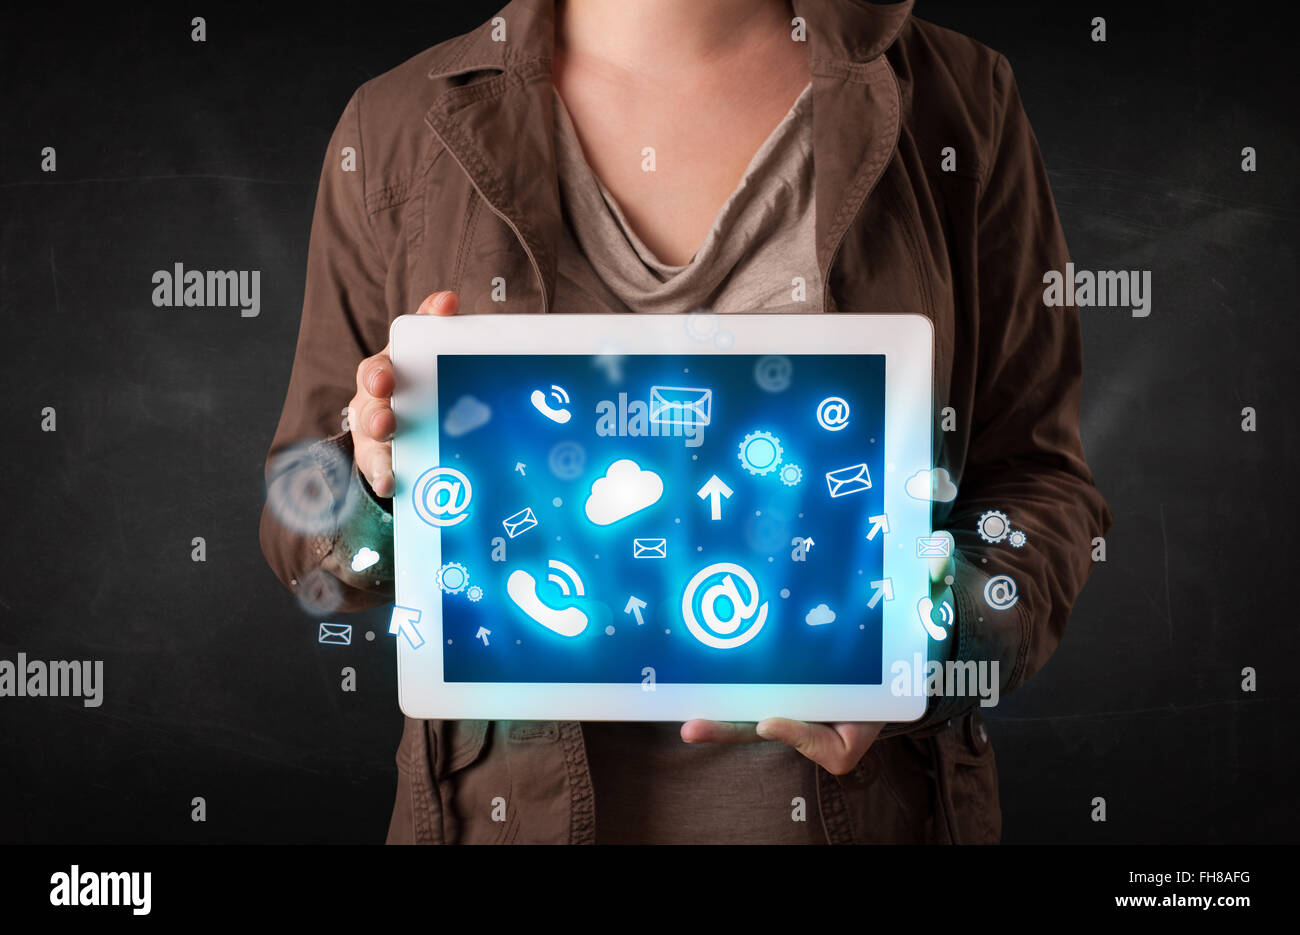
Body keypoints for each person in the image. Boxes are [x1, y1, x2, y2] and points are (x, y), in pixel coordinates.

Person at [260, 0, 1112, 844]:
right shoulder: (395, 126)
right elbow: (298, 531)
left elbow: (1040, 486)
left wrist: (923, 650)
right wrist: (375, 491)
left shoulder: (961, 98)